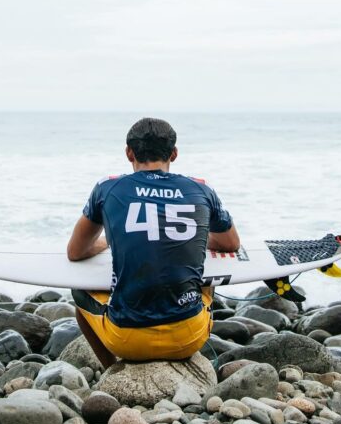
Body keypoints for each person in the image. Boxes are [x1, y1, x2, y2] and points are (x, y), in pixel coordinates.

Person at [66, 117, 240, 368]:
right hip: (189, 337)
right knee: (202, 279)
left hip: (126, 339)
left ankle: (112, 369)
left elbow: (75, 251)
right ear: (174, 153)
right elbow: (231, 243)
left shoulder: (108, 189)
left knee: (79, 291)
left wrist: (106, 242)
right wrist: (196, 235)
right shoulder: (200, 189)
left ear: (129, 153)